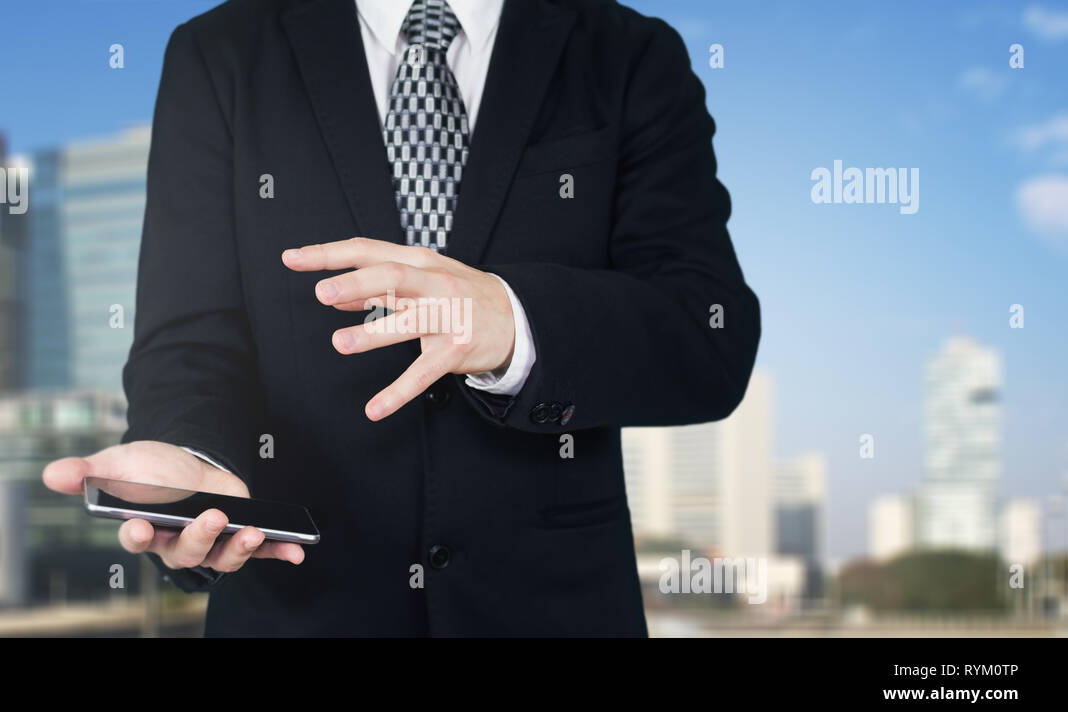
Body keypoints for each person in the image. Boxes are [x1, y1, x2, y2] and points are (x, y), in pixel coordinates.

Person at [43, 0, 760, 636]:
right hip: (297, 613)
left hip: (555, 610)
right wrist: (195, 458)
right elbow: (190, 338)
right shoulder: (221, 52)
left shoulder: (629, 54)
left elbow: (708, 332)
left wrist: (513, 321)